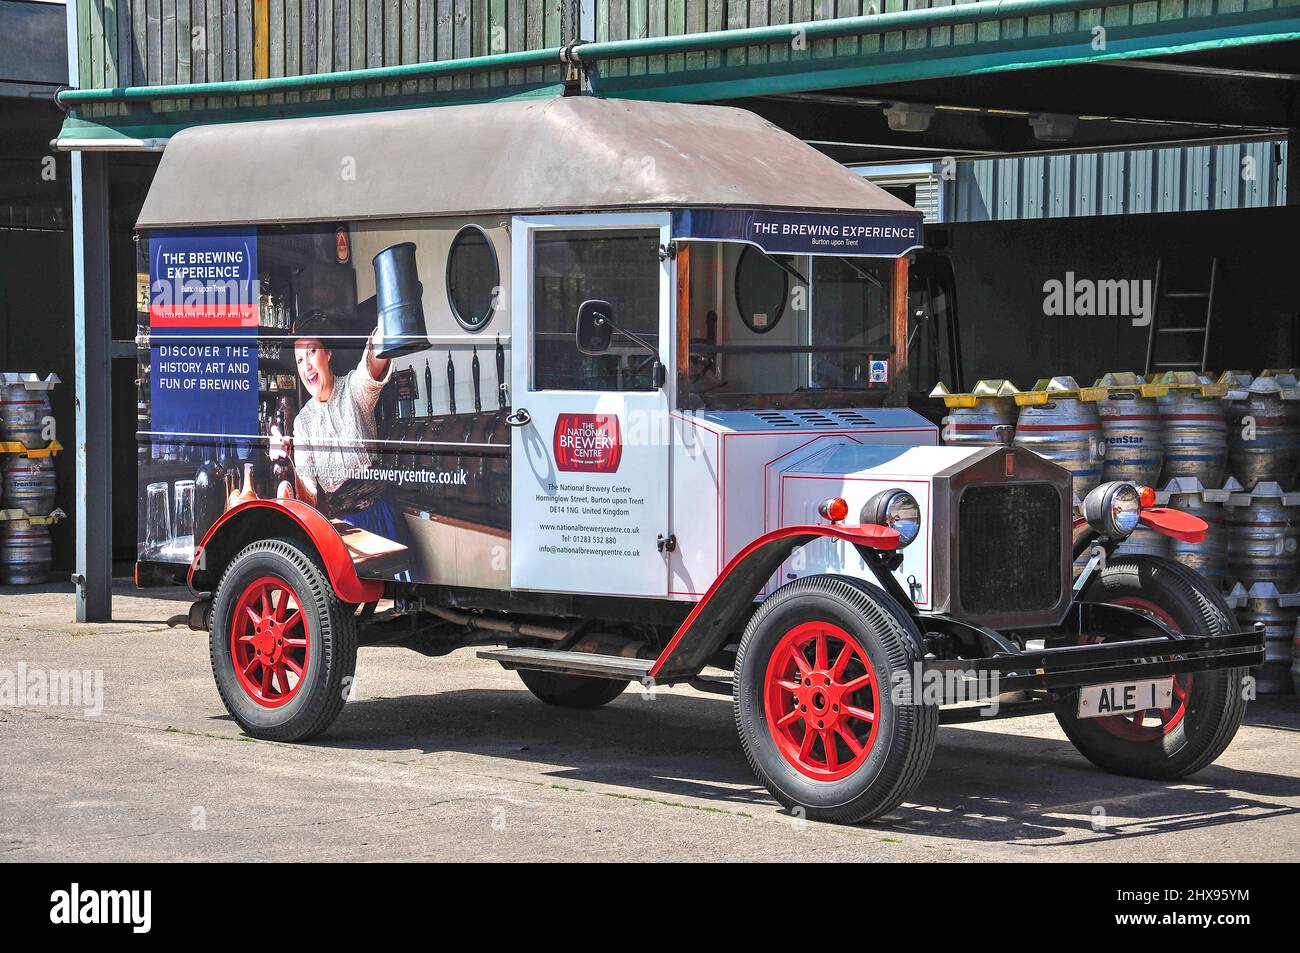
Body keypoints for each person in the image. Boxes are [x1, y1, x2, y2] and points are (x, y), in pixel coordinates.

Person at [271, 313, 408, 545]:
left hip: (381, 518)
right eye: (300, 360)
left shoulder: (354, 389)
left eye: (312, 351)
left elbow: (373, 360)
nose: (307, 366)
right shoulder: (302, 422)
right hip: (341, 529)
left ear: (328, 353)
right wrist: (287, 463)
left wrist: (392, 314)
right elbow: (309, 492)